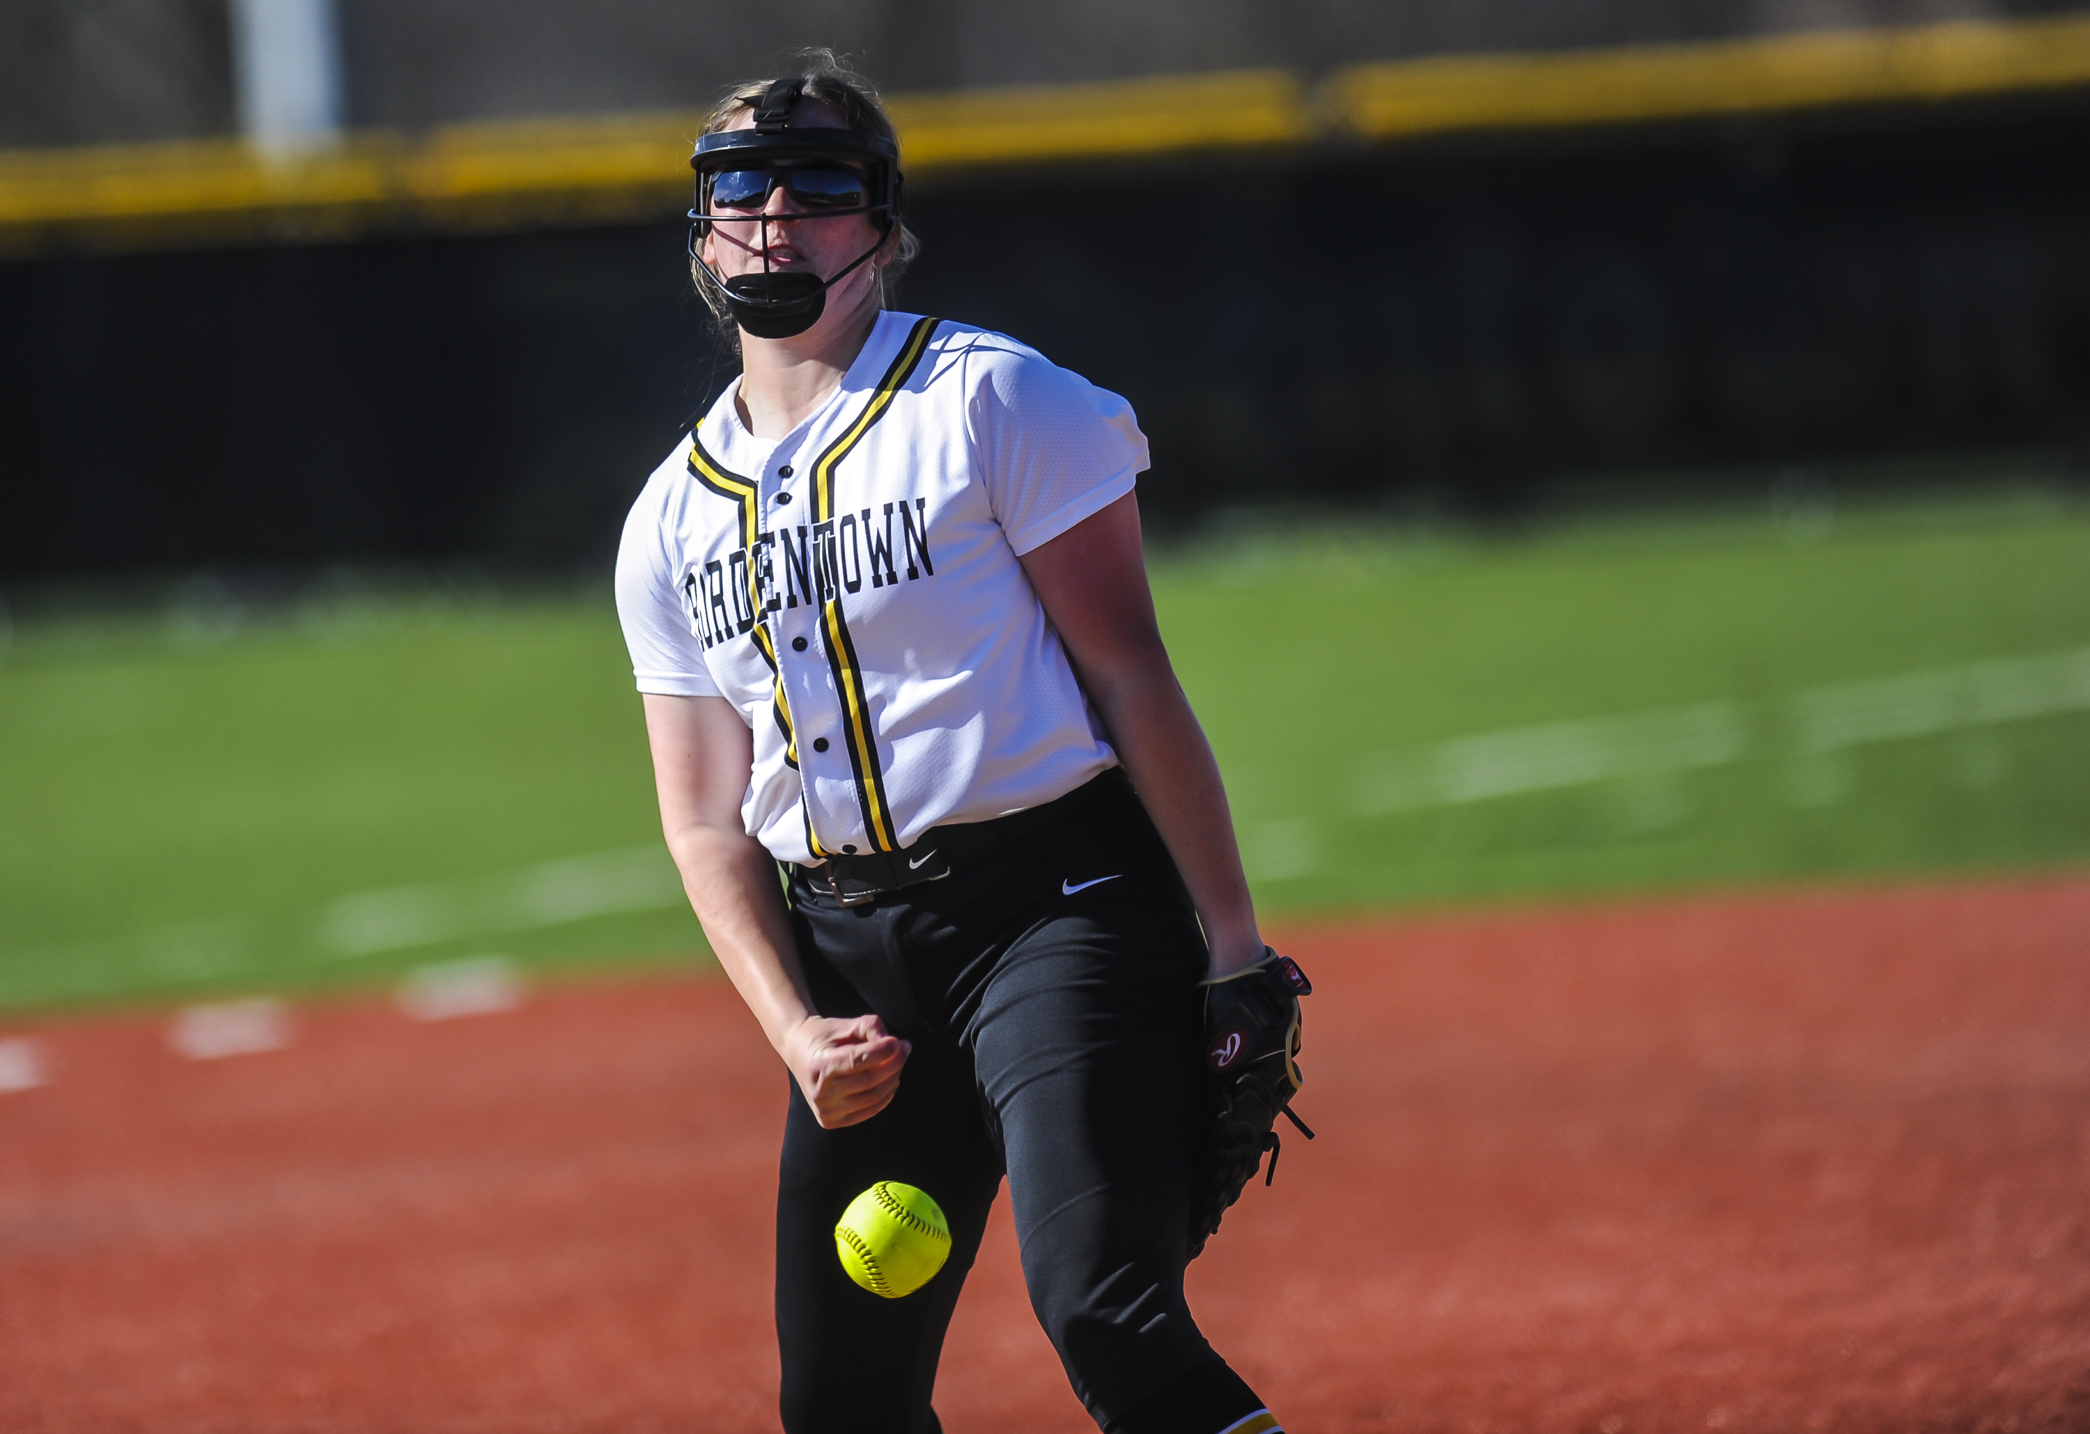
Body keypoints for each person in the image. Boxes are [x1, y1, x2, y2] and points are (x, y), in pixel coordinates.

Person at [615, 53, 1287, 1434]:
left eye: (819, 186)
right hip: (850, 962)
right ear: (702, 227)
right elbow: (702, 820)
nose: (776, 219)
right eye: (742, 188)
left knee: (1104, 1307)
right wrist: (796, 1031)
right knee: (840, 1407)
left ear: (882, 221)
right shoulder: (669, 518)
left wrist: (1233, 949)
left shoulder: (989, 401)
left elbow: (1129, 673)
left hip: (1055, 907)